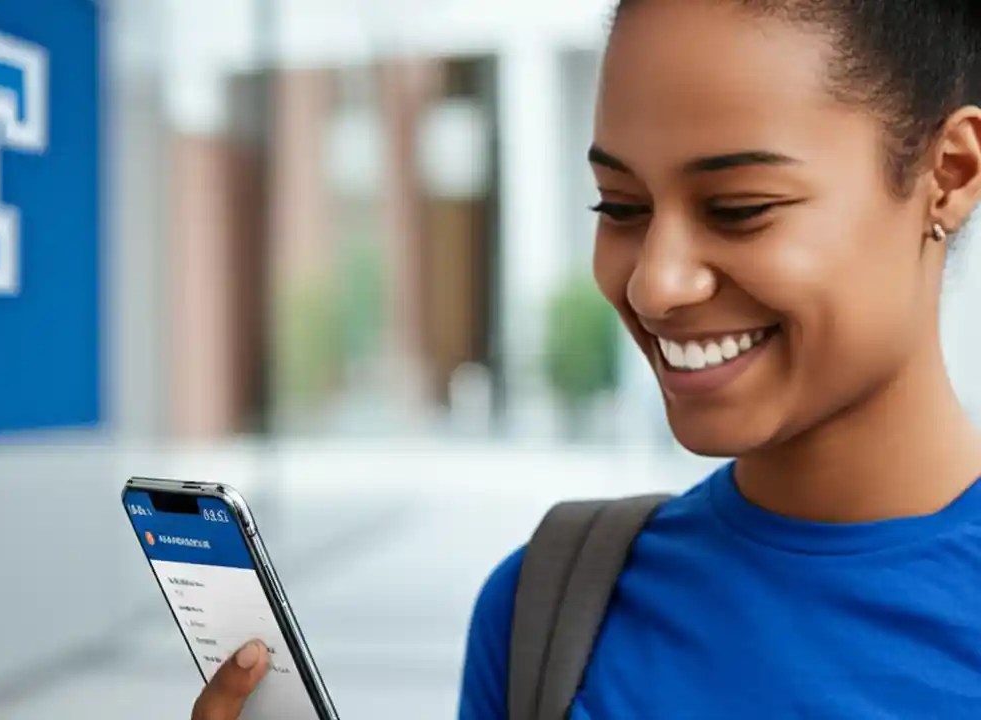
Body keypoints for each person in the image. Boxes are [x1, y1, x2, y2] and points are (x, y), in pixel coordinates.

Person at [191, 0, 981, 717]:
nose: (655, 283)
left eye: (739, 209)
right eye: (622, 207)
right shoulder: (551, 608)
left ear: (949, 175)